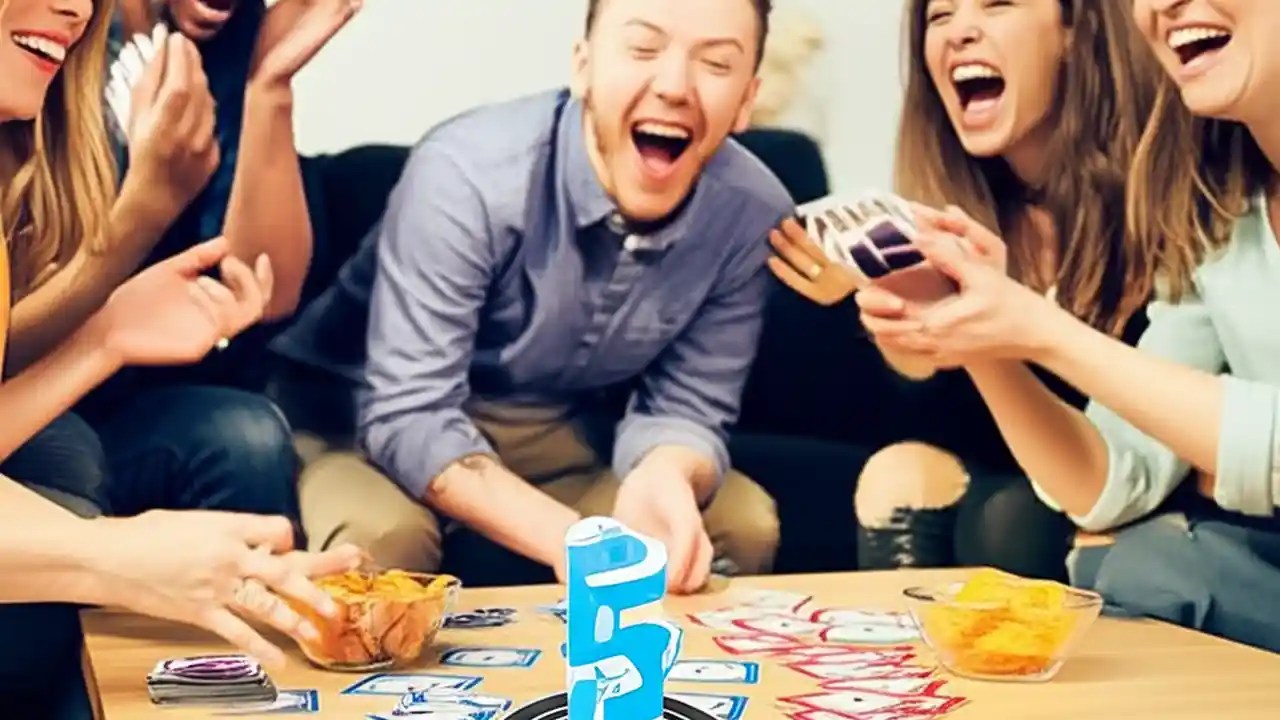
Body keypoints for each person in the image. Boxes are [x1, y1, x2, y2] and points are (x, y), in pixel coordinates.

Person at [272, 0, 791, 593]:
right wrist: (577, 543)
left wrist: (667, 474)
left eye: (716, 64)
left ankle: (666, 686)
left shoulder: (750, 212)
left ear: (747, 99)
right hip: (359, 424)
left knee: (736, 524)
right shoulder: (470, 172)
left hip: (551, 434)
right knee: (382, 544)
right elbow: (410, 415)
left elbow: (690, 410)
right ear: (583, 66)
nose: (674, 86)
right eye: (643, 49)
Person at [852, 0, 1280, 654]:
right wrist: (986, 340)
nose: (1162, 5)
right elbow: (1108, 483)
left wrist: (1043, 329)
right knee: (1127, 566)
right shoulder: (1216, 203)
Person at [0, 0, 360, 714]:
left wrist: (270, 86)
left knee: (241, 435)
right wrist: (117, 559)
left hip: (132, 401)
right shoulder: (58, 72)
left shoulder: (44, 90)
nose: (71, 9)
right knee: (69, 462)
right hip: (61, 425)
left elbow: (267, 283)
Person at [766, 0, 1158, 580]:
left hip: (1132, 495)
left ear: (1076, 30)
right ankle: (899, 670)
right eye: (939, 16)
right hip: (1006, 491)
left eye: (997, 5)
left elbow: (1129, 450)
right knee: (900, 472)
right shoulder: (944, 225)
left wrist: (989, 331)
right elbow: (930, 425)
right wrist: (886, 308)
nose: (960, 33)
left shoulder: (1157, 202)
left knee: (1013, 519)